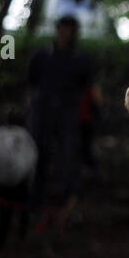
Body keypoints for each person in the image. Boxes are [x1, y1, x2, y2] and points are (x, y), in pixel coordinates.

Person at [28, 15, 95, 209]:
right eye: (63, 28)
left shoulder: (80, 59)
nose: (65, 33)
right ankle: (35, 202)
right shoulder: (42, 55)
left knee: (68, 157)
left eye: (70, 29)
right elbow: (32, 83)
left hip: (68, 115)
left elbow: (88, 89)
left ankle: (67, 201)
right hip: (42, 113)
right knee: (38, 155)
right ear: (57, 29)